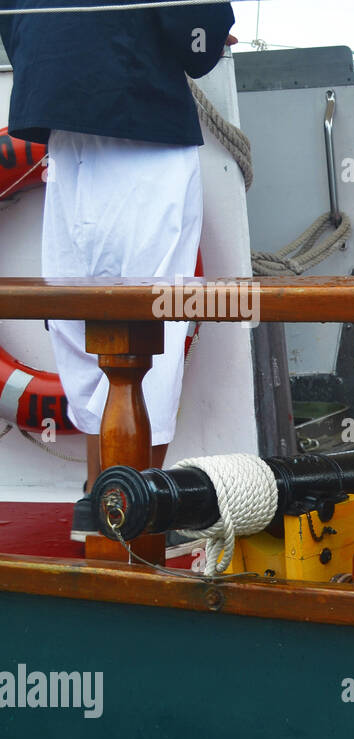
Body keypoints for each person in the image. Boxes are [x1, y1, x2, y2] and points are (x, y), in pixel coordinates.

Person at [0, 0, 235, 539]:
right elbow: (197, 38)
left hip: (62, 133)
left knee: (78, 315)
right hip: (144, 129)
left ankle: (96, 498)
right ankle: (140, 500)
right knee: (155, 314)